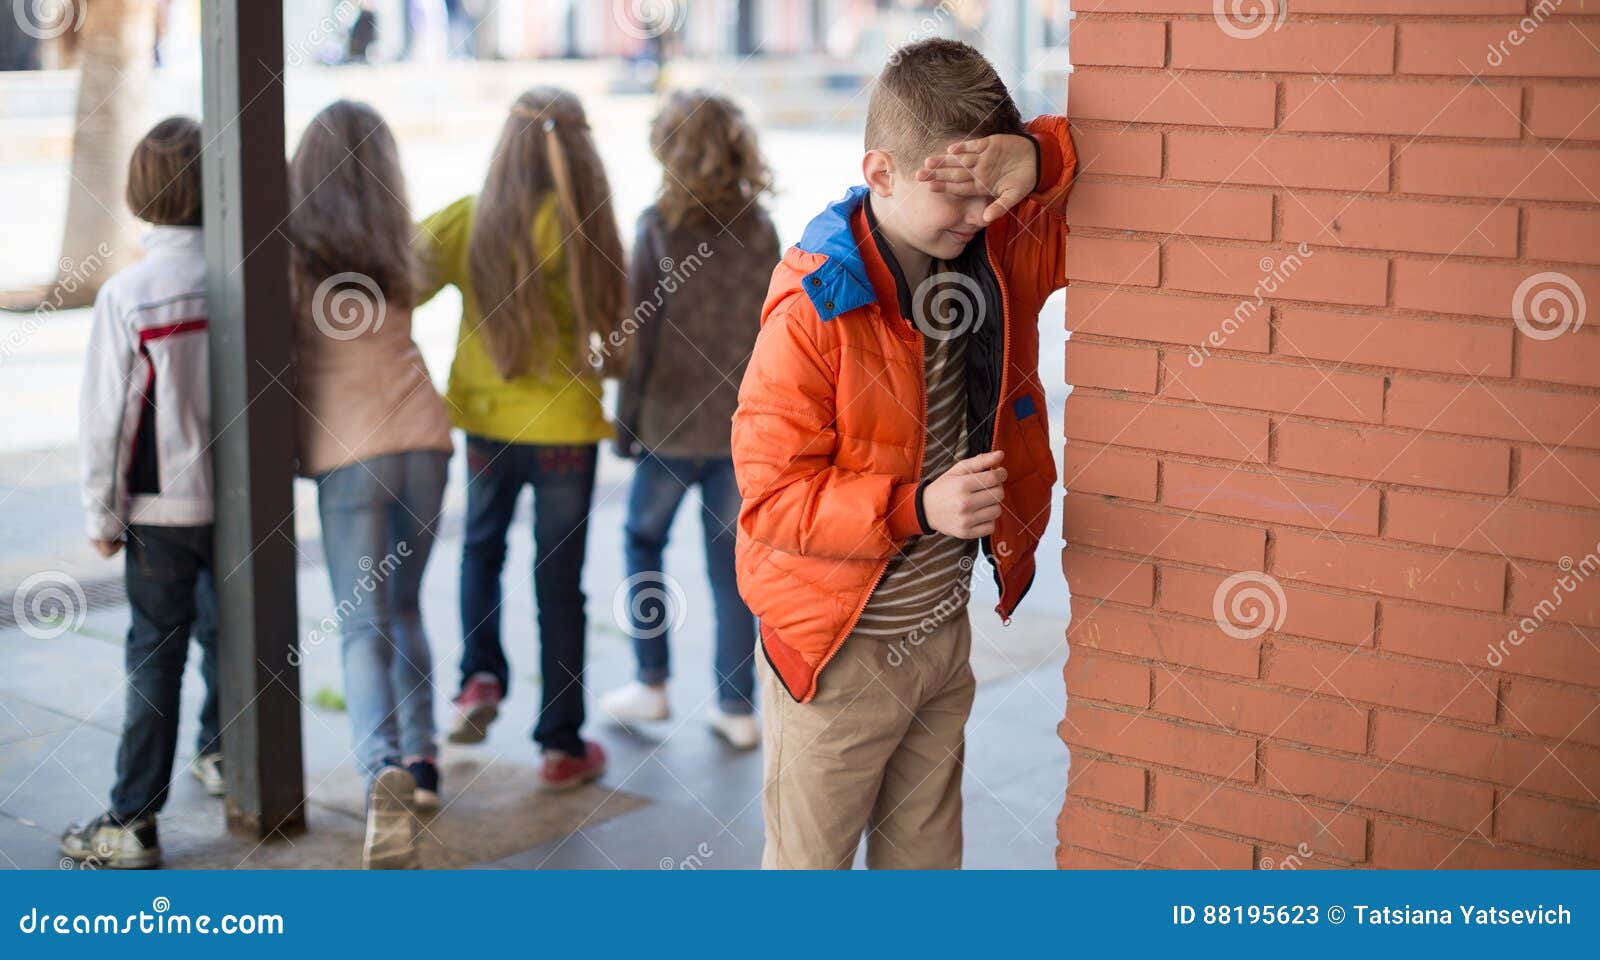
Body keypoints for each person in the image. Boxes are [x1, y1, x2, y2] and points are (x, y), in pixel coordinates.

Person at [730, 38, 1076, 869]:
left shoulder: (992, 248)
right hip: (835, 660)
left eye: (992, 193)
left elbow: (1104, 164)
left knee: (924, 871)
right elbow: (771, 502)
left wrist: (1032, 154)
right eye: (955, 196)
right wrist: (916, 506)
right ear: (880, 173)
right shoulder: (815, 308)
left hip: (939, 642)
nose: (982, 214)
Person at [417, 88, 627, 791]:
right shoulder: (589, 223)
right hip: (566, 427)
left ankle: (480, 677)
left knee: (481, 547)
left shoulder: (470, 220)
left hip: (487, 422)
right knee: (559, 583)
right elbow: (622, 319)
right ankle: (562, 745)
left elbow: (398, 274)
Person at [286, 100, 455, 869]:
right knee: (407, 604)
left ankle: (380, 767)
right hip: (424, 436)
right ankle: (422, 764)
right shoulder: (398, 250)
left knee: (362, 624)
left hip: (350, 452)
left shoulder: (288, 254)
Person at [599, 91, 778, 750]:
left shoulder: (656, 228)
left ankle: (652, 684)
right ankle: (736, 706)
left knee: (643, 540)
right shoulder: (762, 228)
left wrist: (626, 428)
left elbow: (636, 340)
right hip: (742, 427)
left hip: (670, 425)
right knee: (732, 563)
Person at [61, 117, 214, 869]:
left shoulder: (131, 293)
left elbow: (107, 419)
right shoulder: (244, 272)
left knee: (156, 656)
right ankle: (223, 752)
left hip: (160, 513)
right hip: (243, 508)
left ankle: (133, 821)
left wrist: (102, 511)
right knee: (235, 637)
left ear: (140, 192)